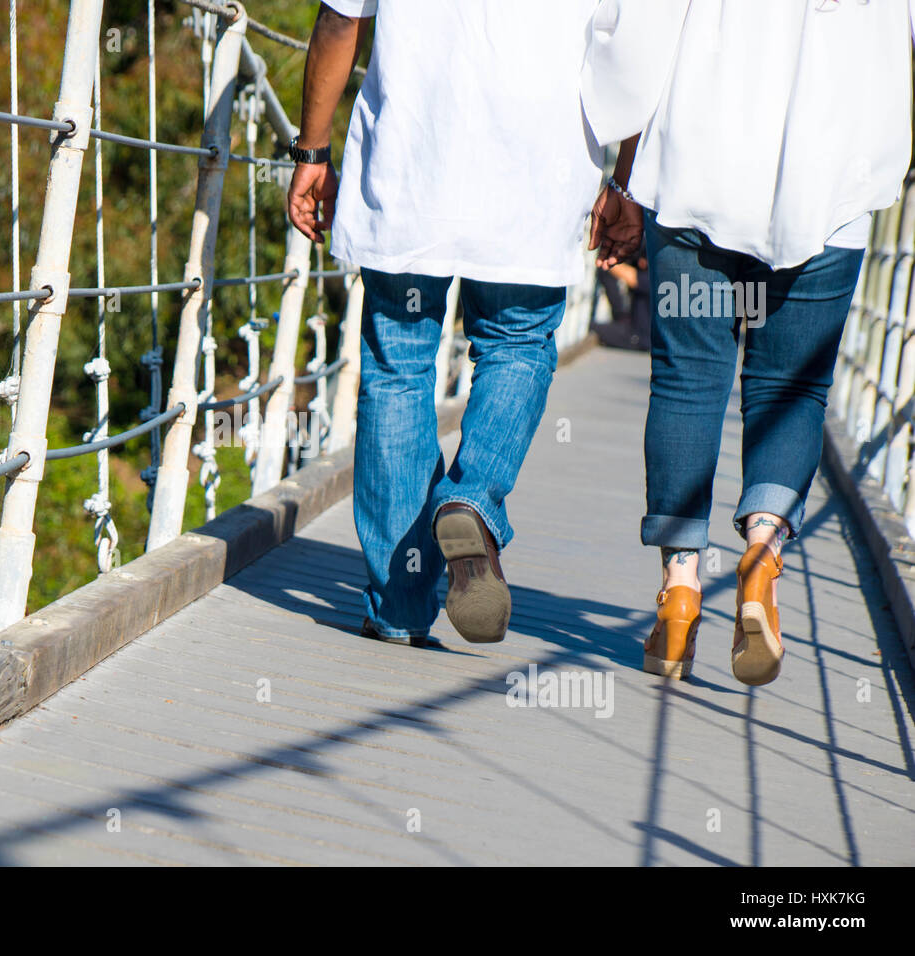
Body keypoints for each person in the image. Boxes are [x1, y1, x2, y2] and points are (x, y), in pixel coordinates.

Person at [584, 0, 915, 684]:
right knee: (791, 388)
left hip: (695, 168)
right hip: (831, 183)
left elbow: (642, 33)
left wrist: (620, 171)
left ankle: (679, 590)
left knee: (688, 378)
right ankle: (763, 553)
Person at [287, 1, 601, 645]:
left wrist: (312, 148)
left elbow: (340, 20)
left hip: (411, 161)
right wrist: (624, 180)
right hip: (537, 172)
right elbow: (629, 49)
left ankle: (401, 607)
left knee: (398, 369)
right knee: (516, 345)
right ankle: (473, 499)